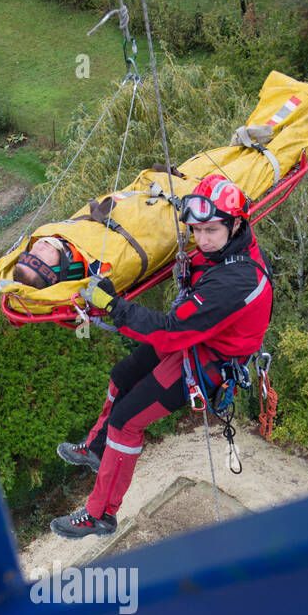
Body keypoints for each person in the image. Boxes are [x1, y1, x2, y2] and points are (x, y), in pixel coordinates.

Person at [50, 174, 274, 539]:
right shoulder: (228, 248)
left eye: (211, 231)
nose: (201, 240)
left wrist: (113, 307)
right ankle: (95, 446)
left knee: (127, 421)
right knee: (122, 374)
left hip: (204, 360)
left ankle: (100, 515)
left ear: (236, 224)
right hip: (197, 338)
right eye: (196, 230)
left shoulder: (237, 281)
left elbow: (171, 332)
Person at [13, 235, 109, 289]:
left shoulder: (53, 234)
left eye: (29, 253)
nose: (36, 246)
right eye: (38, 257)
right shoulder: (100, 267)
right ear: (57, 272)